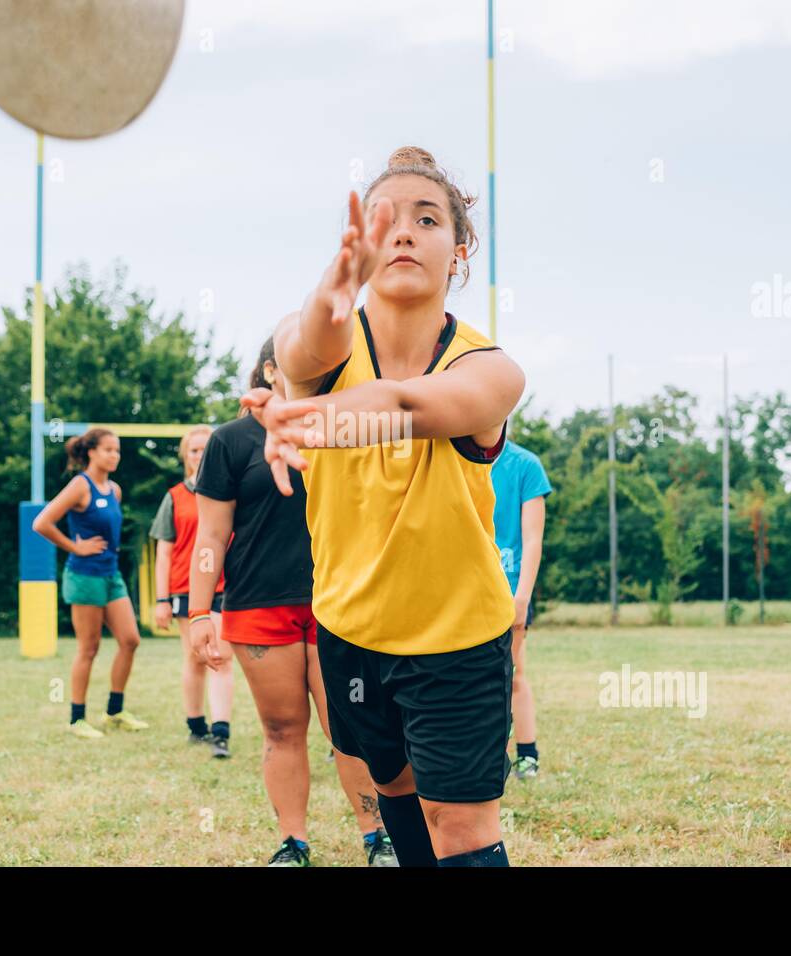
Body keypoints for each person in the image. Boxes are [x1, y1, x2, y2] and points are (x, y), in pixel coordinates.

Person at [243, 147, 525, 867]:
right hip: (352, 632)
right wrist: (335, 291)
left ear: (457, 252)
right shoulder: (311, 340)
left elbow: (401, 407)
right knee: (397, 799)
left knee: (460, 829)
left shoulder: (488, 370)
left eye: (426, 220)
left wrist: (308, 421)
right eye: (384, 220)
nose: (402, 233)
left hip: (457, 637)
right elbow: (310, 347)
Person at [188, 337, 398, 867]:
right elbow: (210, 538)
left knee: (350, 727)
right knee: (282, 729)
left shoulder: (345, 428)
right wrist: (197, 612)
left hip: (341, 601)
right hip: (259, 604)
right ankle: (293, 842)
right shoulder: (231, 442)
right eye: (298, 365)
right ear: (269, 370)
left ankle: (378, 837)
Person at [33, 428, 148, 738]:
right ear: (92, 452)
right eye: (108, 449)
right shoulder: (79, 486)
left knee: (130, 640)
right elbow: (41, 522)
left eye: (118, 450)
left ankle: (114, 712)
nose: (115, 455)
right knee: (89, 647)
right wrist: (75, 546)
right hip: (84, 575)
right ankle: (77, 718)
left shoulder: (115, 490)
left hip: (111, 575)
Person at [150, 426, 234, 758]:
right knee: (196, 657)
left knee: (221, 656)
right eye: (194, 450)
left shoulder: (229, 491)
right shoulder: (174, 497)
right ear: (186, 456)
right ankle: (196, 725)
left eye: (205, 449)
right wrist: (161, 600)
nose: (200, 455)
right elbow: (164, 553)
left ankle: (221, 732)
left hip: (226, 585)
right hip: (185, 587)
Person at [490, 438, 552, 779]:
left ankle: (527, 754)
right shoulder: (451, 456)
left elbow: (532, 539)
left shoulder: (525, 465)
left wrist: (522, 598)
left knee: (511, 674)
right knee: (474, 683)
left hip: (509, 588)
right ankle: (488, 758)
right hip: (465, 590)